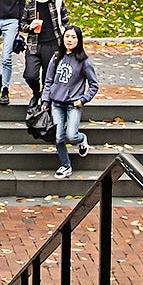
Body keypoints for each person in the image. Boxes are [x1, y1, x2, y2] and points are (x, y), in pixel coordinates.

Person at [41, 24, 98, 178]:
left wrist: (83, 100)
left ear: (79, 40)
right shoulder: (56, 57)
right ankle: (66, 166)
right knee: (59, 136)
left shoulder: (84, 61)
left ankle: (82, 139)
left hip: (73, 104)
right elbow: (48, 80)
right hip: (56, 103)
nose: (70, 40)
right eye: (67, 36)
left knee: (71, 136)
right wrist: (45, 100)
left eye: (73, 37)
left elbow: (94, 85)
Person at [20, 0, 70, 118]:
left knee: (48, 77)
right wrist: (30, 26)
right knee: (30, 75)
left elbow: (66, 23)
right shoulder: (30, 5)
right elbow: (21, 24)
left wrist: (65, 41)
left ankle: (44, 100)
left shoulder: (57, 3)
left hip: (53, 45)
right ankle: (36, 93)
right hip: (34, 45)